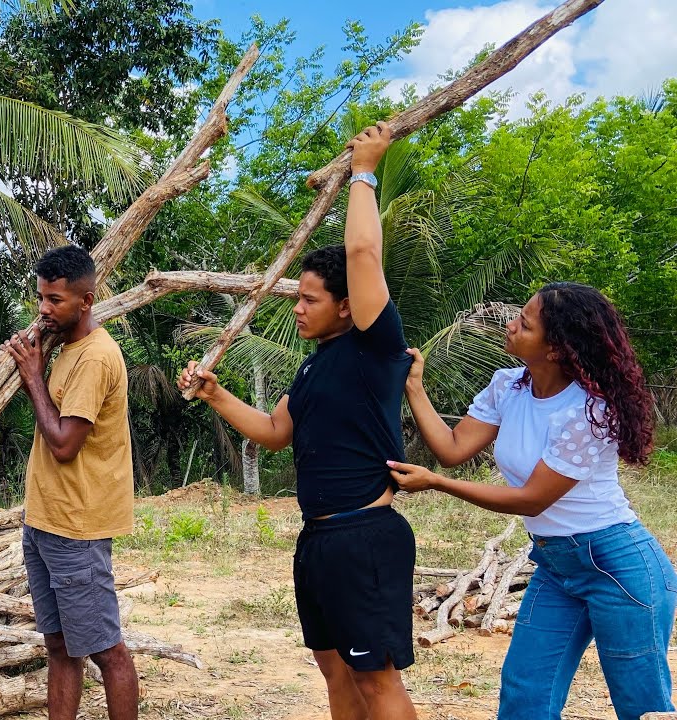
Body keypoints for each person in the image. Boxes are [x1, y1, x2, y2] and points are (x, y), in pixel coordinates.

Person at [179, 122, 418, 719]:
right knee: (336, 671)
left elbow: (363, 255)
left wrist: (364, 172)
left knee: (376, 680)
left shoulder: (374, 348)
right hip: (319, 538)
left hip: (364, 536)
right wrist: (216, 395)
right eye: (297, 297)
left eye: (310, 299)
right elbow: (275, 432)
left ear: (348, 306)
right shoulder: (315, 366)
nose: (298, 308)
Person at [388, 282, 677, 720]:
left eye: (524, 324)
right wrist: (415, 387)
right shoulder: (509, 387)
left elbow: (531, 500)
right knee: (525, 696)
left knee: (641, 707)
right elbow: (452, 448)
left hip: (618, 567)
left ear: (557, 348)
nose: (510, 325)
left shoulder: (588, 411)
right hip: (557, 566)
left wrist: (437, 484)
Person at [2, 245, 139, 720]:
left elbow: (63, 444)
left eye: (55, 300)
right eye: (41, 297)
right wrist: (37, 369)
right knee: (59, 646)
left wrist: (32, 378)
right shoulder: (65, 347)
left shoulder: (95, 358)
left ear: (86, 301)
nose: (44, 309)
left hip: (76, 528)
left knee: (106, 650)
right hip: (45, 521)